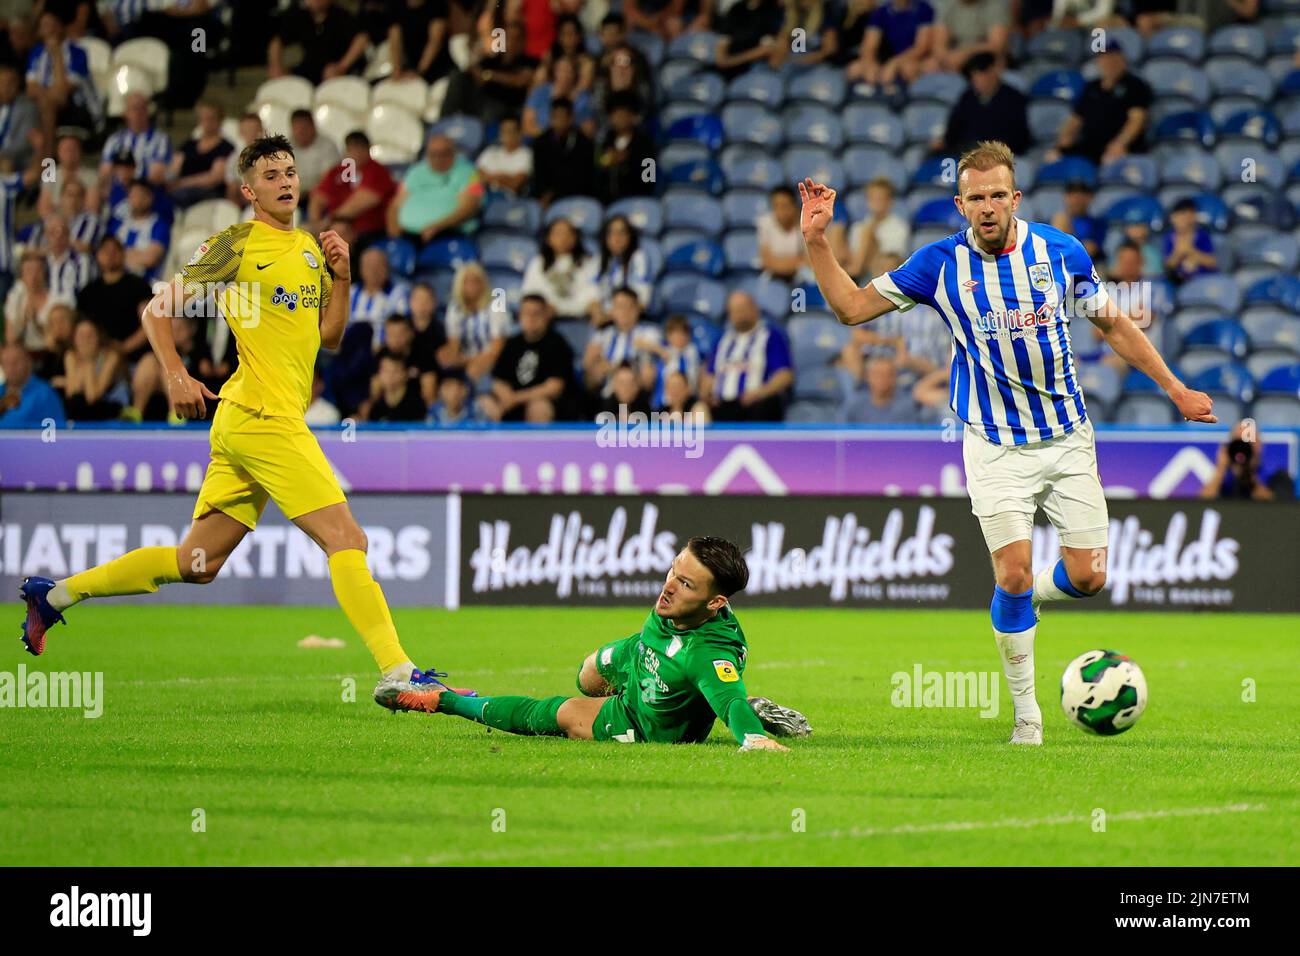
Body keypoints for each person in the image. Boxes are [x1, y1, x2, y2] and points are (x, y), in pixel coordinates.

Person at [16, 134, 466, 708]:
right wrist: (176, 375)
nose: (285, 182)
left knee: (196, 563)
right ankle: (397, 672)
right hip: (262, 418)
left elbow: (328, 337)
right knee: (347, 539)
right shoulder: (235, 244)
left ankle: (55, 595)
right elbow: (156, 310)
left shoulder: (309, 249)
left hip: (247, 422)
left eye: (290, 171)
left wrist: (343, 277)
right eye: (270, 175)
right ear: (249, 191)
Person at [797, 139, 1216, 745]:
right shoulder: (939, 265)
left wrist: (1175, 388)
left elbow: (1114, 324)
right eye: (976, 198)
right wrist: (816, 240)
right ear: (960, 205)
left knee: (1090, 578)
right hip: (993, 445)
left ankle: (1024, 598)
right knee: (1012, 572)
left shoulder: (1060, 252)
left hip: (1067, 438)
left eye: (998, 195)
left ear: (1015, 198)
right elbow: (851, 308)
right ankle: (1027, 716)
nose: (988, 207)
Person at [376, 536, 795, 752]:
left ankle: (444, 700)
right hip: (639, 655)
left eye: (685, 584)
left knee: (555, 714)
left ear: (715, 602)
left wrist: (752, 736)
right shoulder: (680, 607)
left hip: (640, 719)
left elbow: (728, 697)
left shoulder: (706, 655)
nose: (668, 586)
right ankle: (713, 698)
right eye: (673, 570)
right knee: (586, 674)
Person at [1051, 39, 1151, 166]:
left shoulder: (1135, 85)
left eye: (1113, 58)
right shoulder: (1091, 87)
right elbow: (1075, 120)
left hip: (1121, 147)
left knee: (1112, 161)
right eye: (1104, 58)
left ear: (1122, 60)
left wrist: (1120, 143)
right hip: (1089, 147)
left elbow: (1137, 119)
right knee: (1054, 158)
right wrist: (1062, 142)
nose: (1109, 62)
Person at [701, 290, 794, 422]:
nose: (740, 314)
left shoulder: (771, 337)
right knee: (699, 409)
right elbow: (709, 374)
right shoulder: (722, 341)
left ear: (755, 309)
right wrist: (707, 395)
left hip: (756, 404)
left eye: (743, 308)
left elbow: (785, 375)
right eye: (735, 310)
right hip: (722, 406)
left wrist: (760, 393)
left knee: (766, 405)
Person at [486, 293, 576, 422]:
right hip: (513, 401)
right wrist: (507, 397)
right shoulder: (512, 343)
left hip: (546, 402)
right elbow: (498, 380)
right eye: (526, 313)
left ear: (546, 316)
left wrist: (516, 398)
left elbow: (554, 387)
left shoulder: (557, 344)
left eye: (536, 314)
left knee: (539, 407)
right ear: (520, 316)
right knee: (485, 403)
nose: (531, 318)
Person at [387, 134, 484, 245]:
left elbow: (470, 207)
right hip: (407, 235)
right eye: (433, 154)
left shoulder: (470, 173)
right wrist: (394, 235)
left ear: (453, 153)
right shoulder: (415, 172)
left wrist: (438, 227)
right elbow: (395, 206)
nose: (438, 159)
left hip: (449, 234)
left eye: (444, 153)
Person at [76, 234, 153, 367]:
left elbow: (150, 323)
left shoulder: (139, 286)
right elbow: (81, 328)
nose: (110, 255)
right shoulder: (88, 292)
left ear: (123, 254)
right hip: (95, 358)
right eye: (106, 251)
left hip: (133, 358)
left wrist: (124, 347)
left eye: (115, 250)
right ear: (98, 255)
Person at [939, 51, 1030, 156]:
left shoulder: (1013, 98)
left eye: (980, 73)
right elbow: (953, 130)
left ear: (993, 71)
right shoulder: (967, 97)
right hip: (965, 150)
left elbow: (1019, 136)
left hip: (1000, 154)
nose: (976, 79)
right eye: (973, 75)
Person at [437, 261, 511, 386]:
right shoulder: (455, 307)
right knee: (442, 357)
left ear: (483, 283)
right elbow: (454, 344)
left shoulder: (496, 304)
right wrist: (450, 356)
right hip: (467, 357)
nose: (471, 285)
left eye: (476, 281)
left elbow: (497, 348)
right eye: (467, 282)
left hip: (493, 358)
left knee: (475, 369)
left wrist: (467, 360)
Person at [267, 0, 369, 86]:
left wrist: (341, 66)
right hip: (310, 68)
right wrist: (275, 66)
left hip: (337, 70)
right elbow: (277, 41)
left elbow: (362, 38)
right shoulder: (299, 15)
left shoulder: (340, 15)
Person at [582, 286, 659, 398]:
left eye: (629, 307)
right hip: (608, 394)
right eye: (619, 307)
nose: (624, 312)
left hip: (638, 394)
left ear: (637, 309)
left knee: (645, 372)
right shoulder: (603, 335)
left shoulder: (650, 333)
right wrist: (597, 368)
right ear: (612, 310)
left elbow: (655, 367)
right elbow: (587, 367)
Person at [521, 217, 599, 322]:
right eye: (558, 233)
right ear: (549, 238)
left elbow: (590, 295)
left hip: (579, 317)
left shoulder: (588, 263)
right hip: (544, 318)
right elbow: (529, 292)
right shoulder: (538, 263)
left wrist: (560, 309)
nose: (563, 238)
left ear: (575, 238)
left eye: (567, 233)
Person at [852, 0, 940, 87]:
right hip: (886, 58)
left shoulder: (924, 9)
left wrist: (893, 64)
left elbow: (921, 46)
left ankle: (913, 94)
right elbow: (868, 46)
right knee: (855, 69)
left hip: (913, 58)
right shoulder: (881, 11)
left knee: (908, 68)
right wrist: (870, 65)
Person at [166, 101, 235, 208]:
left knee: (181, 196)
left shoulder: (225, 147)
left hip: (209, 193)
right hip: (182, 189)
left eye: (211, 118)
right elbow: (174, 167)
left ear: (220, 121)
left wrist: (182, 183)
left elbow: (214, 178)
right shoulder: (189, 145)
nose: (207, 122)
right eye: (203, 118)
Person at [98, 91, 173, 190]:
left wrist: (131, 180)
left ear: (148, 112)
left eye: (142, 108)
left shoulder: (161, 140)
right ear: (125, 113)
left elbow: (157, 173)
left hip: (148, 191)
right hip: (119, 189)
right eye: (134, 109)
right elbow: (105, 171)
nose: (138, 113)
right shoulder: (114, 140)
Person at [530, 97, 597, 206]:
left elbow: (585, 177)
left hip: (577, 197)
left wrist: (556, 193)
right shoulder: (541, 142)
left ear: (571, 119)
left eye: (563, 117)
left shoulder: (584, 143)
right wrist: (544, 194)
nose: (559, 122)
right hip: (546, 199)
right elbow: (538, 175)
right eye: (555, 117)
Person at [590, 213, 653, 325]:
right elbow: (591, 291)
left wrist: (616, 316)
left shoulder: (639, 258)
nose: (616, 237)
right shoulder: (598, 260)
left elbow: (643, 299)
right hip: (604, 319)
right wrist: (596, 311)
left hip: (632, 320)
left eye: (622, 233)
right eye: (612, 233)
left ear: (629, 236)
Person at [5, 251, 74, 351]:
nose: (33, 276)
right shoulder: (16, 299)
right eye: (28, 271)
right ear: (22, 276)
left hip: (48, 353)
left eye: (37, 271)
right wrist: (24, 322)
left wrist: (36, 323)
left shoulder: (57, 300)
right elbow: (10, 339)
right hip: (24, 352)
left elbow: (57, 343)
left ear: (44, 274)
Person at [846, 178, 911, 283]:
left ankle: (854, 274)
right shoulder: (858, 227)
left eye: (880, 199)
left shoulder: (899, 227)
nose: (876, 203)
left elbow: (894, 261)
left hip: (887, 276)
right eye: (872, 199)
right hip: (862, 273)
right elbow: (852, 256)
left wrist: (871, 239)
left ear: (890, 202)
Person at [595, 91, 655, 204]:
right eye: (616, 114)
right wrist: (605, 164)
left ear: (633, 116)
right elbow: (596, 169)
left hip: (637, 202)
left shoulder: (645, 143)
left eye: (624, 114)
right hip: (607, 203)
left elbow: (650, 177)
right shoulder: (605, 142)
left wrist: (628, 161)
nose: (620, 118)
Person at [61, 317, 123, 421]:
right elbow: (72, 393)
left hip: (109, 404)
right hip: (82, 406)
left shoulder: (111, 356)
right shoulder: (70, 356)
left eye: (90, 335)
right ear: (74, 338)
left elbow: (93, 397)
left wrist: (88, 361)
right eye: (81, 336)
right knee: (75, 403)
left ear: (98, 337)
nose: (86, 340)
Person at [108, 179, 170, 283]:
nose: (136, 199)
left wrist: (120, 255)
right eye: (133, 195)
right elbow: (107, 255)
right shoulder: (119, 223)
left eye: (140, 195)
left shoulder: (159, 225)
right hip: (115, 282)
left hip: (144, 284)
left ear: (150, 198)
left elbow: (150, 259)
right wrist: (137, 254)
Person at [349, 247, 410, 345]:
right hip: (349, 349)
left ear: (387, 268)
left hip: (382, 349)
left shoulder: (398, 294)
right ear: (361, 269)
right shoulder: (351, 292)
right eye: (369, 266)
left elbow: (401, 330)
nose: (374, 271)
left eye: (378, 265)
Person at [386, 0, 455, 83]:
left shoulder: (437, 4)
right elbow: (395, 42)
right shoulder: (396, 6)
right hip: (410, 67)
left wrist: (419, 71)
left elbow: (435, 41)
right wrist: (397, 69)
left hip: (440, 68)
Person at [0, 341, 66, 427]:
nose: (11, 367)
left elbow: (57, 431)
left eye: (16, 361)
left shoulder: (44, 394)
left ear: (28, 362)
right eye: (6, 362)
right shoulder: (1, 391)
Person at [842, 354, 924, 423]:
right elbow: (841, 433)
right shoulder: (855, 405)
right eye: (877, 374)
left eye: (889, 374)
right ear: (868, 377)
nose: (883, 379)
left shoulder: (907, 406)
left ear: (895, 377)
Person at [932, 0, 1010, 72]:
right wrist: (948, 60)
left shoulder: (995, 6)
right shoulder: (947, 5)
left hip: (984, 61)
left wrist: (964, 54)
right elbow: (939, 45)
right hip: (954, 60)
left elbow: (997, 45)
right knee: (931, 65)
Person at [758, 185, 810, 282]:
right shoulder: (765, 223)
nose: (780, 211)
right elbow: (766, 261)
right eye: (776, 206)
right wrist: (796, 261)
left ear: (794, 206)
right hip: (773, 274)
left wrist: (779, 261)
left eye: (784, 206)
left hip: (800, 274)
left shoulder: (805, 223)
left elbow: (809, 260)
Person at [474, 114, 532, 197]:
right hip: (482, 195)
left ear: (519, 134)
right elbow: (475, 177)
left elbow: (515, 184)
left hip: (507, 199)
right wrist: (503, 177)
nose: (506, 135)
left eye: (510, 131)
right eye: (503, 131)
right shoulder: (490, 151)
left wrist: (488, 177)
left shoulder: (526, 154)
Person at [39, 212, 95, 298]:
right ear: (46, 235)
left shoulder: (81, 261)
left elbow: (84, 295)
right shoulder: (41, 262)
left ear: (69, 235)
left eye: (63, 232)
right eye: (52, 232)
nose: (58, 237)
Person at [1163, 197, 1217, 284]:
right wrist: (1178, 253)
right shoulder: (1168, 238)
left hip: (1203, 281)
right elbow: (1167, 267)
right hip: (1177, 283)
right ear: (1173, 218)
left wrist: (1190, 251)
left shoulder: (1202, 235)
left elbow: (1212, 262)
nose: (1185, 221)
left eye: (1189, 217)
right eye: (1182, 216)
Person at [1050, 179, 1106, 262]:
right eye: (1073, 195)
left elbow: (1091, 249)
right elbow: (1055, 248)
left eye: (1081, 195)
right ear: (1066, 197)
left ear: (1090, 197)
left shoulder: (1098, 223)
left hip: (1091, 265)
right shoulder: (1057, 220)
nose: (1077, 200)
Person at [364, 349, 428, 422]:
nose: (390, 376)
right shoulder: (374, 408)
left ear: (405, 374)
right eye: (385, 370)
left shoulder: (417, 405)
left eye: (395, 371)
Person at [288, 109, 340, 194]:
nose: (301, 132)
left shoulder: (327, 146)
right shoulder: (285, 148)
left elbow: (329, 177)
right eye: (297, 129)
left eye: (305, 128)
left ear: (313, 127)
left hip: (321, 194)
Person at [0, 64, 38, 170]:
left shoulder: (28, 107)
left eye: (9, 83)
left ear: (17, 84)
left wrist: (2, 154)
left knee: (6, 165)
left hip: (17, 159)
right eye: (1, 83)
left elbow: (23, 143)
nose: (5, 88)